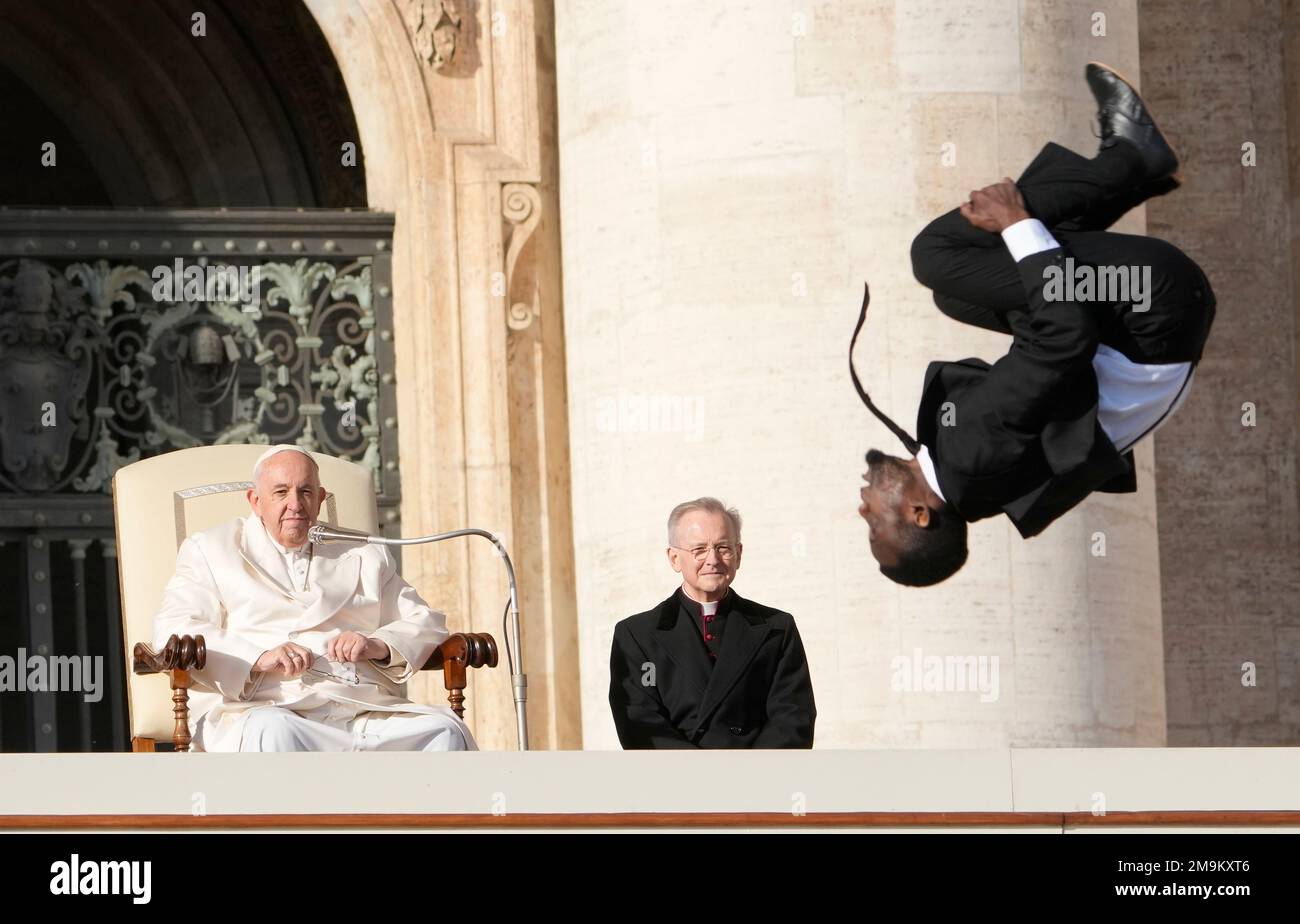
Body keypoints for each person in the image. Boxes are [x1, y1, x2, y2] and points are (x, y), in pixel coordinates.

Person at [855, 62, 1215, 587]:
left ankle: (1132, 171)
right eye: (873, 526)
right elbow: (1062, 340)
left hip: (1162, 326)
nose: (861, 510)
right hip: (1152, 299)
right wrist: (1017, 224)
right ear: (919, 513)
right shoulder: (972, 449)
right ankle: (1129, 162)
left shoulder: (973, 477)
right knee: (937, 255)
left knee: (956, 297)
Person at [153, 444, 475, 752]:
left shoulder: (364, 552)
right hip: (268, 706)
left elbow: (428, 623)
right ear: (255, 501)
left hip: (359, 709)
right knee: (273, 732)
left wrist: (377, 644)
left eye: (305, 492)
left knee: (443, 732)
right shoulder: (212, 549)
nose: (295, 504)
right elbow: (172, 629)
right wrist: (258, 657)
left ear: (320, 499)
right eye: (280, 492)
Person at [608, 497, 815, 748]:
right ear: (674, 558)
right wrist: (703, 776)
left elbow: (792, 718)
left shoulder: (777, 628)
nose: (713, 559)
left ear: (738, 554)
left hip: (756, 779)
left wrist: (752, 777)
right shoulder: (637, 636)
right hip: (677, 779)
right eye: (699, 550)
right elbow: (640, 723)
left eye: (723, 548)